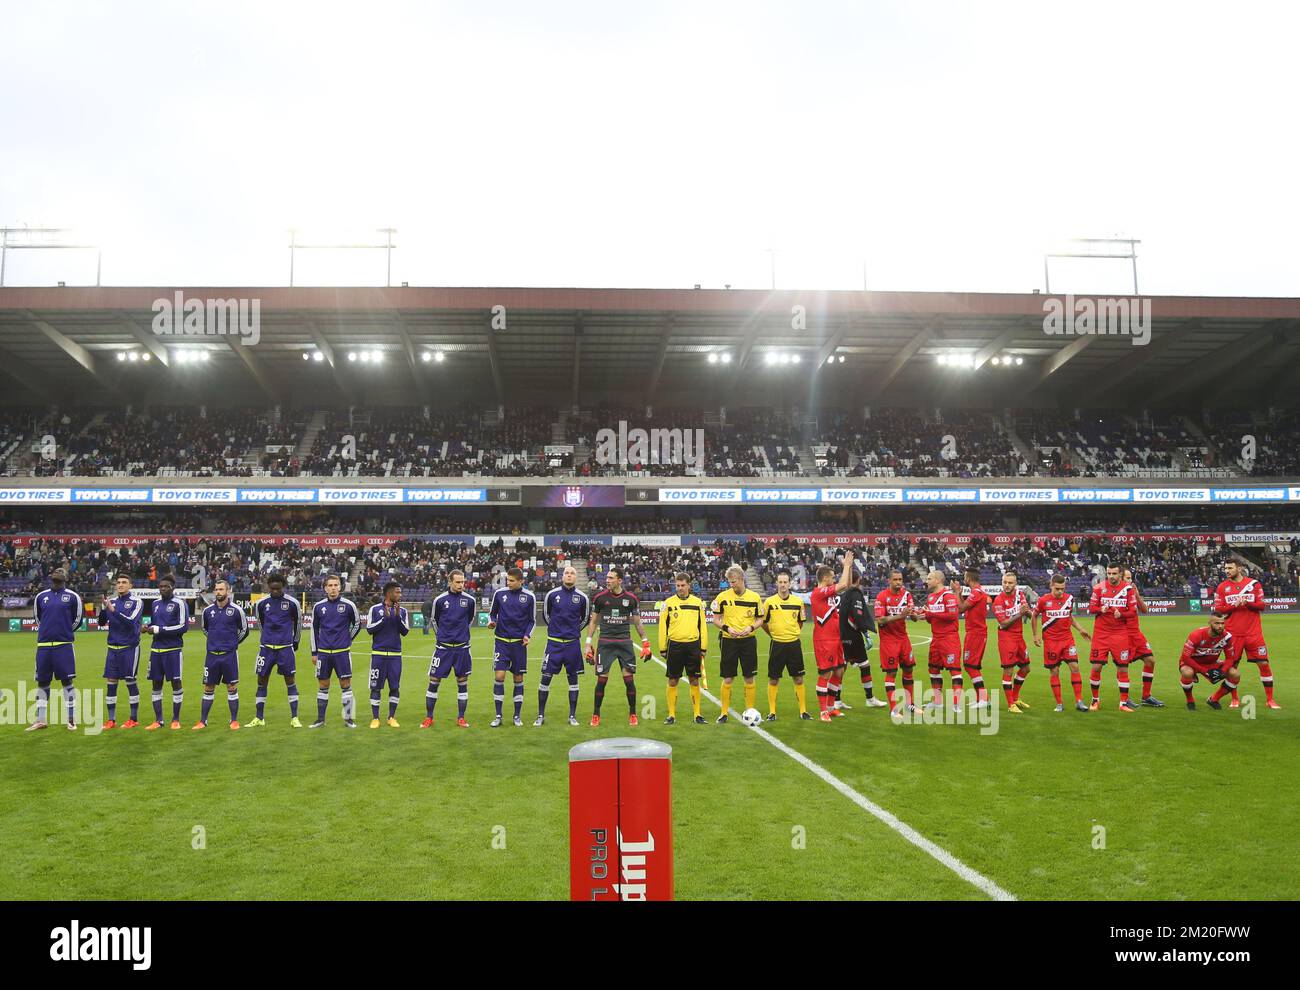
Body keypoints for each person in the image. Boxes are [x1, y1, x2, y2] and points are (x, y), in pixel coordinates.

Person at [27, 567, 82, 732]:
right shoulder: (41, 596)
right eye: (55, 571)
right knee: (42, 682)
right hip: (43, 646)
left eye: (61, 571)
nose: (57, 572)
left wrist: (63, 631)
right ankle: (40, 720)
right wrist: (47, 631)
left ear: (66, 577)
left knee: (67, 682)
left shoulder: (73, 597)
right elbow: (38, 618)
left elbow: (77, 620)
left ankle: (71, 720)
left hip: (63, 646)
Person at [101, 571, 143, 729]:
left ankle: (133, 718)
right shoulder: (112, 601)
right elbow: (101, 622)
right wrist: (103, 608)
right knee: (111, 682)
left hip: (129, 648)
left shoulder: (136, 601)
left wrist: (112, 610)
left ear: (130, 585)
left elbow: (131, 622)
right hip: (112, 649)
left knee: (130, 681)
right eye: (118, 582)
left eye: (124, 582)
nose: (120, 585)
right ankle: (111, 720)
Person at [366, 580, 409, 727]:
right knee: (375, 687)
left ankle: (391, 717)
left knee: (394, 687)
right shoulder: (375, 609)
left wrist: (396, 616)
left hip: (395, 655)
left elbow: (405, 632)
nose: (400, 594)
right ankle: (375, 718)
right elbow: (370, 629)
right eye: (397, 592)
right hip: (378, 654)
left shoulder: (402, 611)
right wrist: (385, 618)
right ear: (389, 593)